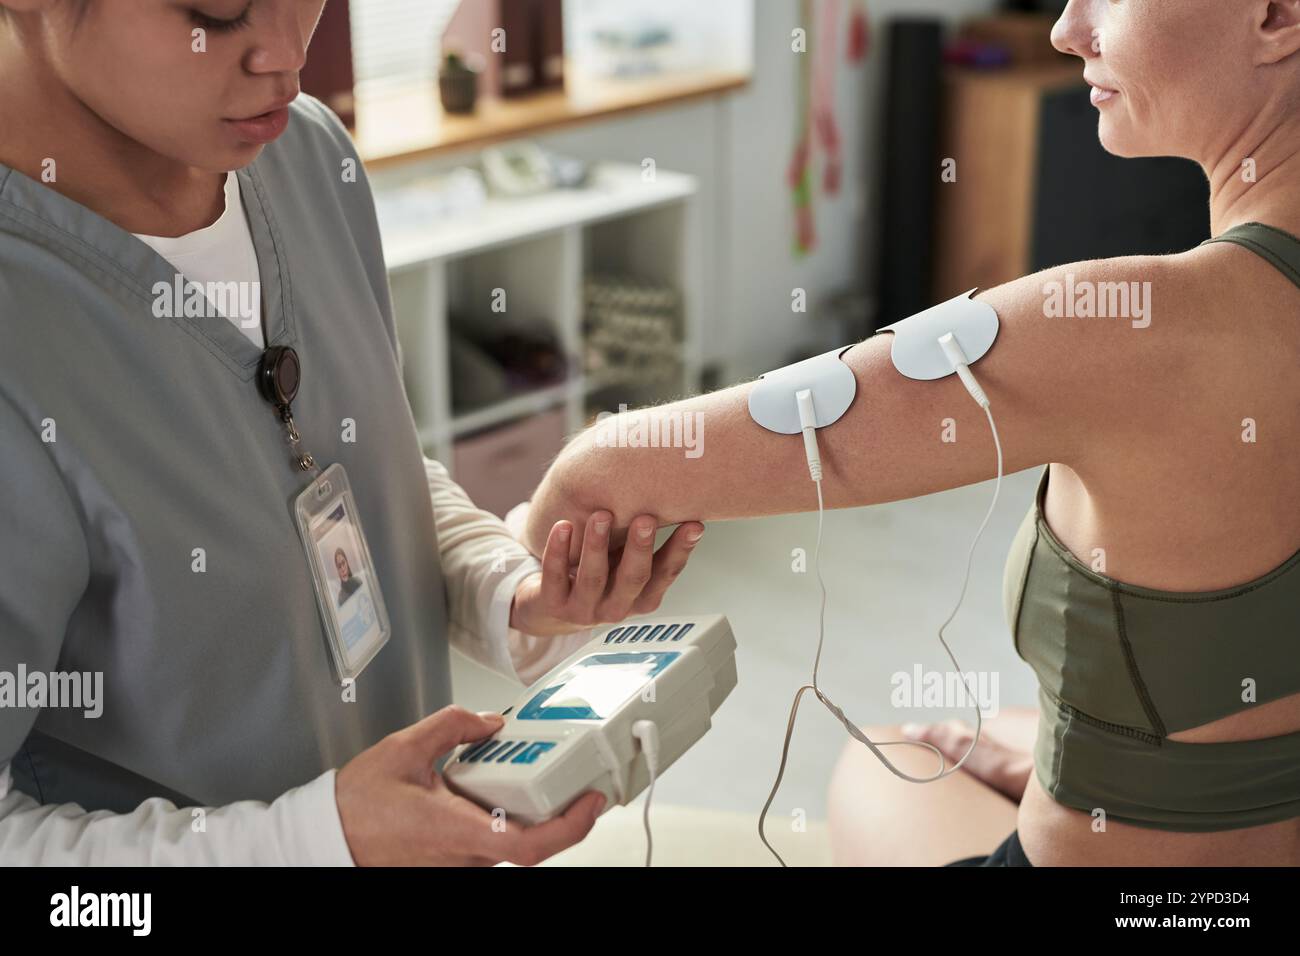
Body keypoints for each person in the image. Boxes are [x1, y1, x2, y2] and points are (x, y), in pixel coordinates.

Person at [524, 0, 1300, 866]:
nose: (1066, 29)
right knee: (955, 738)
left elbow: (606, 477)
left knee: (889, 755)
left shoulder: (1124, 328)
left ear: (1276, 14)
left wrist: (520, 588)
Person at [0, 0, 705, 866]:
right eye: (218, 13)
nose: (289, 59)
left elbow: (354, 466)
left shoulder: (305, 155)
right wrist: (319, 839)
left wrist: (505, 589)